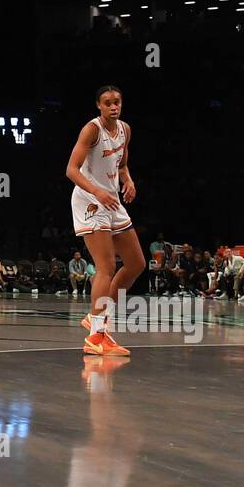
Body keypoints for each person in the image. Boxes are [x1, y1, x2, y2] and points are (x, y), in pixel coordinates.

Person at [66, 86, 146, 357]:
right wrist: (97, 191)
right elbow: (71, 170)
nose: (114, 106)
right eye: (108, 103)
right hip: (90, 200)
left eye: (117, 102)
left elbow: (121, 165)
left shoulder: (125, 129)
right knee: (106, 266)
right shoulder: (92, 130)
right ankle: (95, 337)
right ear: (98, 106)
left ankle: (96, 317)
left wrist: (128, 180)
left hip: (112, 200)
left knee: (136, 263)